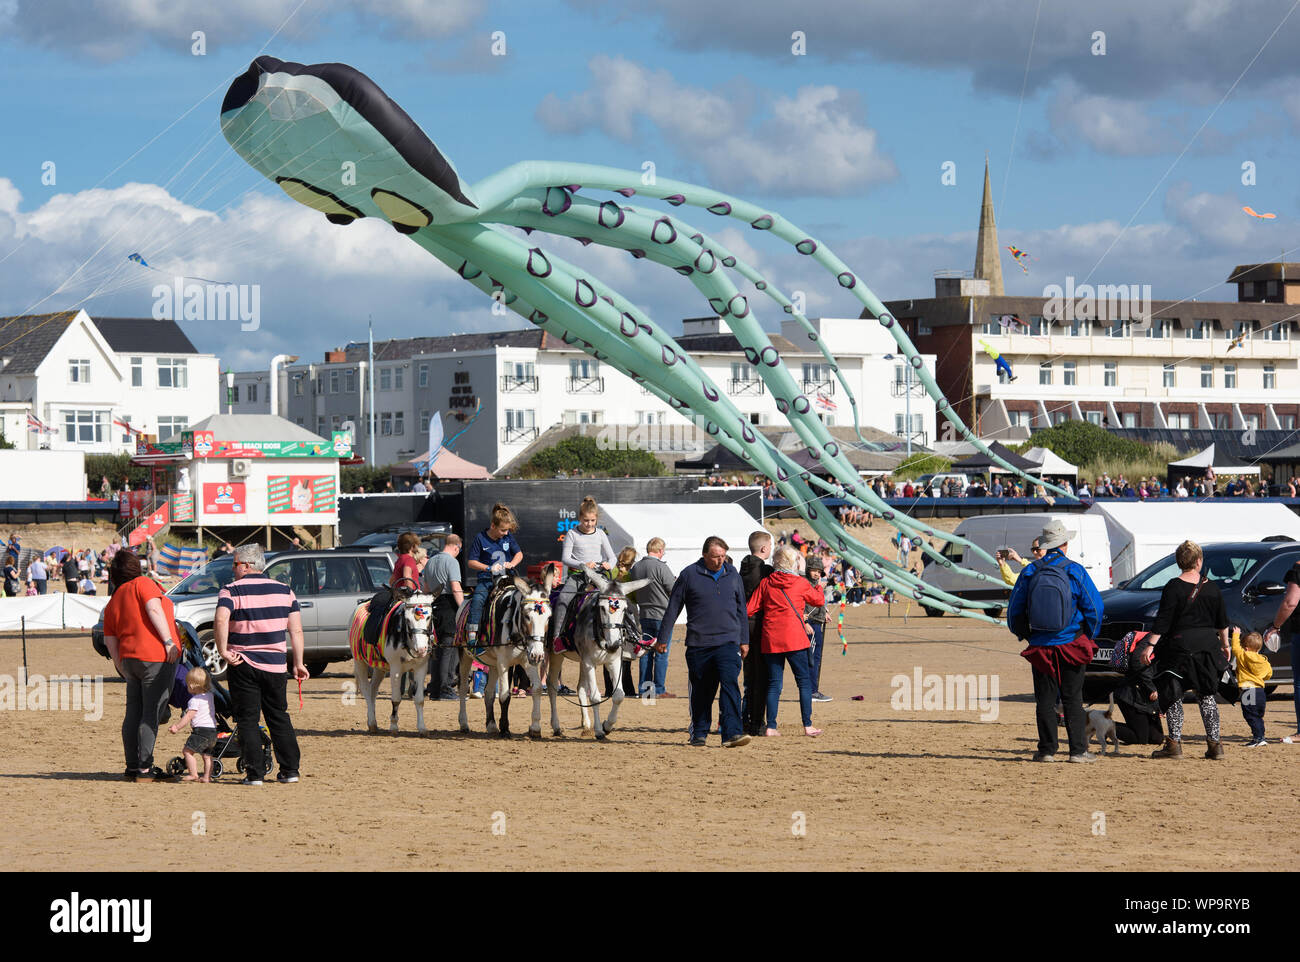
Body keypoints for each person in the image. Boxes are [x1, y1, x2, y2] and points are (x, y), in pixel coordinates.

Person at [1006, 519, 1104, 763]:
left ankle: (1047, 750)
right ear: (1065, 544)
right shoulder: (1075, 570)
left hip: (1041, 645)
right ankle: (1078, 751)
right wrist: (1088, 635)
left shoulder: (1030, 571)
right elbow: (1095, 607)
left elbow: (1014, 611)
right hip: (1071, 642)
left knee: (1045, 700)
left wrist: (1027, 635)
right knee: (1073, 697)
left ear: (1046, 544)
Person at [214, 544, 307, 785]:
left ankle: (254, 774)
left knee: (247, 719)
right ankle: (290, 770)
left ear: (246, 565)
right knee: (278, 716)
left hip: (242, 662)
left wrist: (223, 651)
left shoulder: (230, 591)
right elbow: (295, 630)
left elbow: (221, 619)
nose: (232, 570)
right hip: (276, 665)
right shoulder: (286, 590)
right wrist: (298, 663)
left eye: (234, 564)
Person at [655, 536, 751, 748]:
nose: (720, 561)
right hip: (699, 644)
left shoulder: (732, 573)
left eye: (723, 556)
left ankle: (732, 734)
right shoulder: (689, 574)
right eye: (716, 557)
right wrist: (663, 638)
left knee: (729, 685)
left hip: (728, 641)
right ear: (705, 555)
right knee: (702, 691)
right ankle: (699, 732)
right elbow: (673, 607)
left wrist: (744, 639)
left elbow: (741, 608)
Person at [1140, 540, 1230, 760]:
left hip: (1178, 647)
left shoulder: (1173, 586)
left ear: (1179, 562)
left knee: (1173, 695)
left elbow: (1163, 621)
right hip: (1207, 646)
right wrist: (1225, 645)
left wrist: (1149, 645)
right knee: (1207, 695)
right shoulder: (1212, 587)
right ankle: (1215, 744)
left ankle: (1174, 744)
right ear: (1199, 561)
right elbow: (1222, 621)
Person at [103, 550, 182, 781]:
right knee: (150, 714)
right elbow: (153, 609)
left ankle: (133, 765)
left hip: (130, 660)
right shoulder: (143, 584)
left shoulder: (114, 599)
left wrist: (121, 667)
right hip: (155, 656)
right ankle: (145, 768)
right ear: (135, 567)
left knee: (133, 714)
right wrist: (168, 641)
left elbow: (110, 640)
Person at [746, 546, 824, 736]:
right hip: (795, 638)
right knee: (804, 682)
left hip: (771, 638)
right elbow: (818, 601)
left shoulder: (766, 583)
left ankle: (771, 727)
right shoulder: (800, 583)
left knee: (774, 684)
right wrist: (819, 585)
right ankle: (807, 725)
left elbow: (750, 609)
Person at [550, 497, 615, 646]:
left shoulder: (600, 534)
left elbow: (612, 557)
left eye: (592, 520)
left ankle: (626, 636)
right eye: (586, 520)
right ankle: (557, 637)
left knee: (616, 599)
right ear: (580, 518)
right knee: (563, 599)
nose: (589, 524)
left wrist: (608, 564)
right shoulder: (572, 534)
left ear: (596, 519)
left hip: (598, 576)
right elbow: (565, 558)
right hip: (578, 576)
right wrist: (583, 565)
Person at [466, 503, 523, 645]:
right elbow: (471, 562)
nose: (505, 533)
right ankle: (472, 634)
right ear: (493, 526)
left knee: (524, 598)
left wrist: (512, 564)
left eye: (507, 530)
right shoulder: (480, 538)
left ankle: (522, 633)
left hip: (507, 579)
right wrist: (488, 568)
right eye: (503, 530)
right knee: (478, 599)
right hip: (487, 580)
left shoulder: (508, 537)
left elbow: (519, 554)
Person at [629, 537, 676, 698]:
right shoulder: (661, 567)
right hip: (662, 615)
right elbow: (673, 589)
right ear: (660, 550)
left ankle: (645, 690)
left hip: (644, 613)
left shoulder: (636, 567)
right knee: (661, 652)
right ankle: (659, 689)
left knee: (646, 653)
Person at [421, 534, 464, 700]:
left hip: (433, 605)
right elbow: (455, 586)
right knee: (449, 648)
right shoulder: (452, 562)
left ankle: (435, 688)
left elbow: (425, 588)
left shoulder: (430, 561)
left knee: (437, 650)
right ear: (456, 547)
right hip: (448, 607)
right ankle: (446, 688)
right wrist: (463, 609)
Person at [740, 530, 774, 737]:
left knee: (749, 677)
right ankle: (756, 722)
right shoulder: (764, 572)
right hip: (760, 626)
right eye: (769, 546)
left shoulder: (741, 569)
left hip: (744, 627)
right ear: (763, 548)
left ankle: (747, 719)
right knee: (761, 678)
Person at [168, 667, 218, 782]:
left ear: (191, 686)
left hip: (201, 731)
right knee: (207, 755)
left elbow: (189, 716)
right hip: (212, 730)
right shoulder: (209, 696)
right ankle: (206, 777)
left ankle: (193, 774)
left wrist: (177, 727)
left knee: (187, 751)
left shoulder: (194, 700)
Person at [1232, 629, 1273, 747]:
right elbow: (1269, 674)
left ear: (1246, 648)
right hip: (1260, 690)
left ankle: (1258, 738)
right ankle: (1260, 736)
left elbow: (1235, 648)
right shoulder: (1264, 660)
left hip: (1247, 690)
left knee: (1249, 714)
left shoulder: (1243, 655)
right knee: (1258, 715)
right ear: (1258, 649)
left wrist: (1235, 635)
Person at [805, 557, 831, 702]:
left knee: (816, 657)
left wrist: (825, 612)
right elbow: (802, 604)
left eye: (819, 571)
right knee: (812, 659)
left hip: (817, 622)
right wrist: (805, 622)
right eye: (814, 570)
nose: (816, 574)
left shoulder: (817, 584)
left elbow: (819, 602)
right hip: (811, 625)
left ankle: (813, 690)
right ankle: (812, 691)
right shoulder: (805, 584)